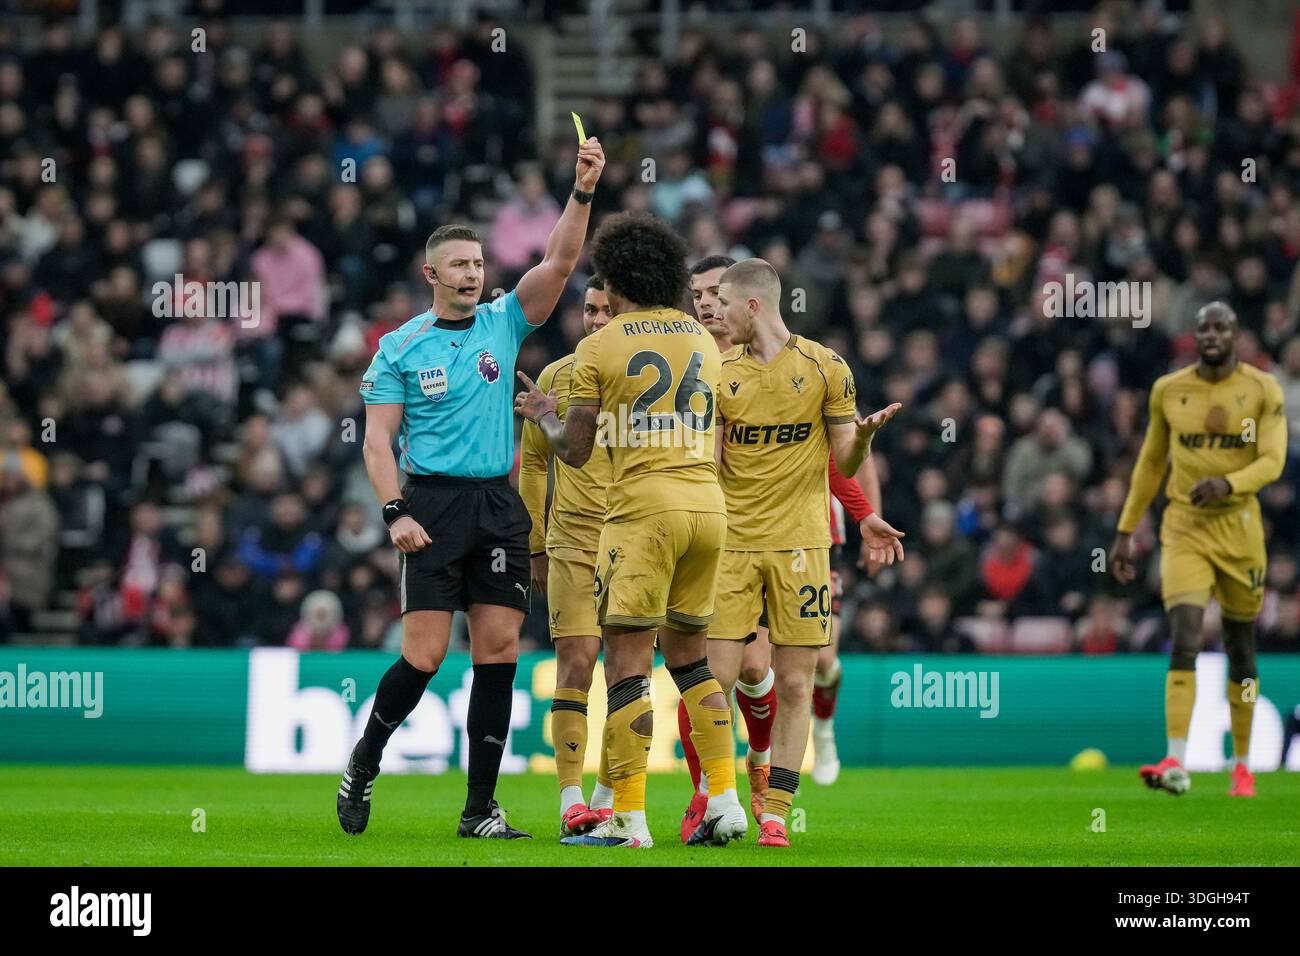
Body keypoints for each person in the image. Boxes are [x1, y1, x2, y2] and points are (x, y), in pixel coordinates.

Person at [336, 135, 605, 840]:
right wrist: (393, 511)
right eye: (458, 264)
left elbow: (562, 261)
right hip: (429, 504)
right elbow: (375, 441)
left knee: (499, 656)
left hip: (496, 502)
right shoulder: (399, 346)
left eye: (479, 263)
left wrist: (581, 191)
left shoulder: (503, 322)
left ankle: (480, 809)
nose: (471, 274)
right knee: (423, 657)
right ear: (431, 273)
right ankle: (365, 760)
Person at [513, 211, 743, 849]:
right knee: (694, 664)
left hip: (643, 512)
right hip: (708, 507)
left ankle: (628, 821)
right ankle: (725, 801)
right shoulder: (700, 338)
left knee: (627, 667)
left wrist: (543, 416)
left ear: (613, 280)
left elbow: (578, 450)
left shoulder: (598, 346)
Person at [676, 255, 882, 841]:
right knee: (712, 680)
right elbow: (707, 464)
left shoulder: (826, 367)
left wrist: (862, 445)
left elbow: (841, 461)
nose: (712, 310)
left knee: (797, 681)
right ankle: (718, 797)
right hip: (732, 546)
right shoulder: (718, 374)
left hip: (803, 547)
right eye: (702, 299)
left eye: (720, 300)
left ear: (752, 304)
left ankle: (774, 814)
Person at [1110, 302, 1286, 798]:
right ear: (1194, 336)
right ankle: (1175, 759)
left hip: (1240, 529)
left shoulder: (1261, 389)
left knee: (1241, 650)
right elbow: (1150, 463)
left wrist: (1229, 484)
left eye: (1221, 327)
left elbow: (1273, 459)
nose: (1211, 334)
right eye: (1203, 327)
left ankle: (1245, 764)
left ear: (1235, 335)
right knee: (1184, 633)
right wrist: (1126, 530)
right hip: (1184, 527)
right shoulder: (1169, 390)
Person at [517, 274, 615, 837]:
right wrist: (534, 541)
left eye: (608, 310)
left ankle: (609, 795)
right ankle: (571, 800)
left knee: (629, 671)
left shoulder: (636, 377)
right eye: (590, 310)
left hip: (635, 538)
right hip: (572, 541)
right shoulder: (556, 376)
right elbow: (533, 464)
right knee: (577, 662)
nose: (598, 320)